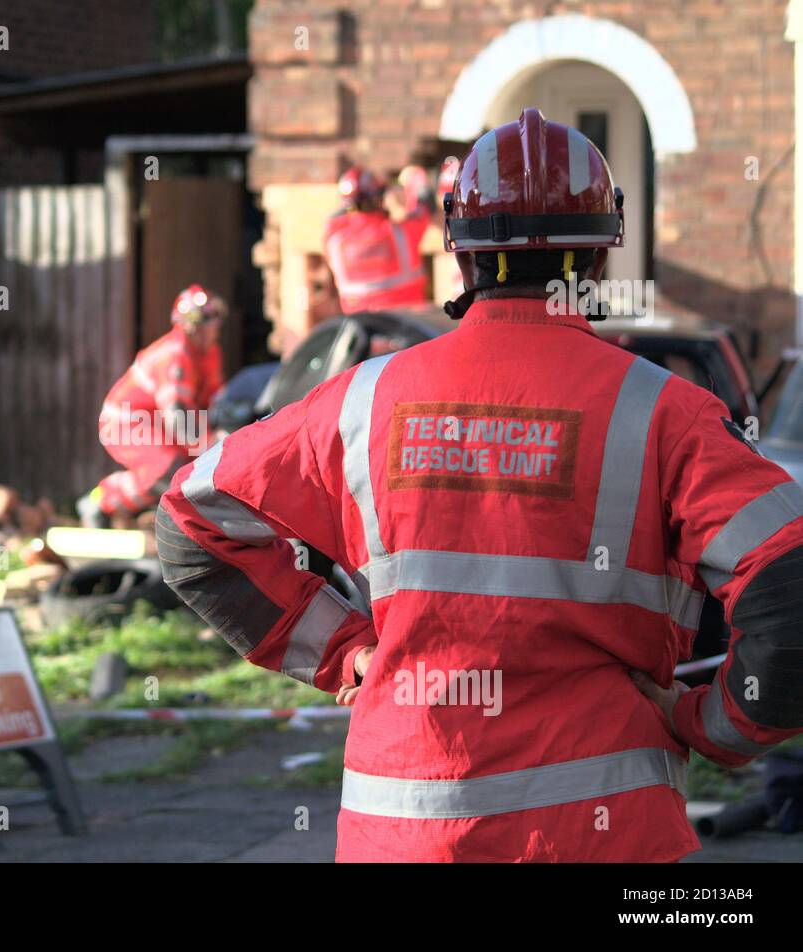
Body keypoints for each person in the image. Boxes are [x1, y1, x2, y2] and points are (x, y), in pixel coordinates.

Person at [156, 107, 803, 862]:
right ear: (599, 258)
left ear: (460, 256)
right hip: (608, 838)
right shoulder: (665, 412)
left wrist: (343, 655)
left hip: (399, 836)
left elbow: (192, 521)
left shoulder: (362, 402)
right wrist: (715, 727)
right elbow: (789, 588)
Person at [79, 285, 225, 528]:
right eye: (205, 321)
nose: (211, 328)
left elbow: (213, 402)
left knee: (191, 466)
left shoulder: (209, 354)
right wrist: (211, 448)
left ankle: (147, 514)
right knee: (168, 468)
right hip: (125, 422)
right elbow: (177, 415)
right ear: (188, 325)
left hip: (160, 422)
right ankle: (99, 501)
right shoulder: (174, 354)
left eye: (213, 319)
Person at [323, 165, 429, 314]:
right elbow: (422, 210)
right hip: (407, 325)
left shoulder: (334, 241)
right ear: (380, 199)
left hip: (361, 326)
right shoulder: (398, 233)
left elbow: (332, 221)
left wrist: (350, 202)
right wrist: (411, 180)